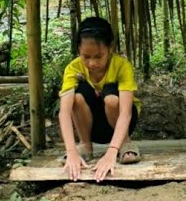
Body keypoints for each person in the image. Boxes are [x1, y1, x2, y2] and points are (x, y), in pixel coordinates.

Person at [57, 17, 142, 182]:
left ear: (110, 48)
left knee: (111, 98)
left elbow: (125, 113)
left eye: (98, 56)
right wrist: (72, 151)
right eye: (86, 56)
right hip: (92, 125)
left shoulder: (122, 66)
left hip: (119, 123)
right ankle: (85, 145)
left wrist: (111, 152)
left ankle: (125, 144)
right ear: (78, 51)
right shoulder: (73, 68)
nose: (92, 63)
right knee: (76, 96)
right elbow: (64, 113)